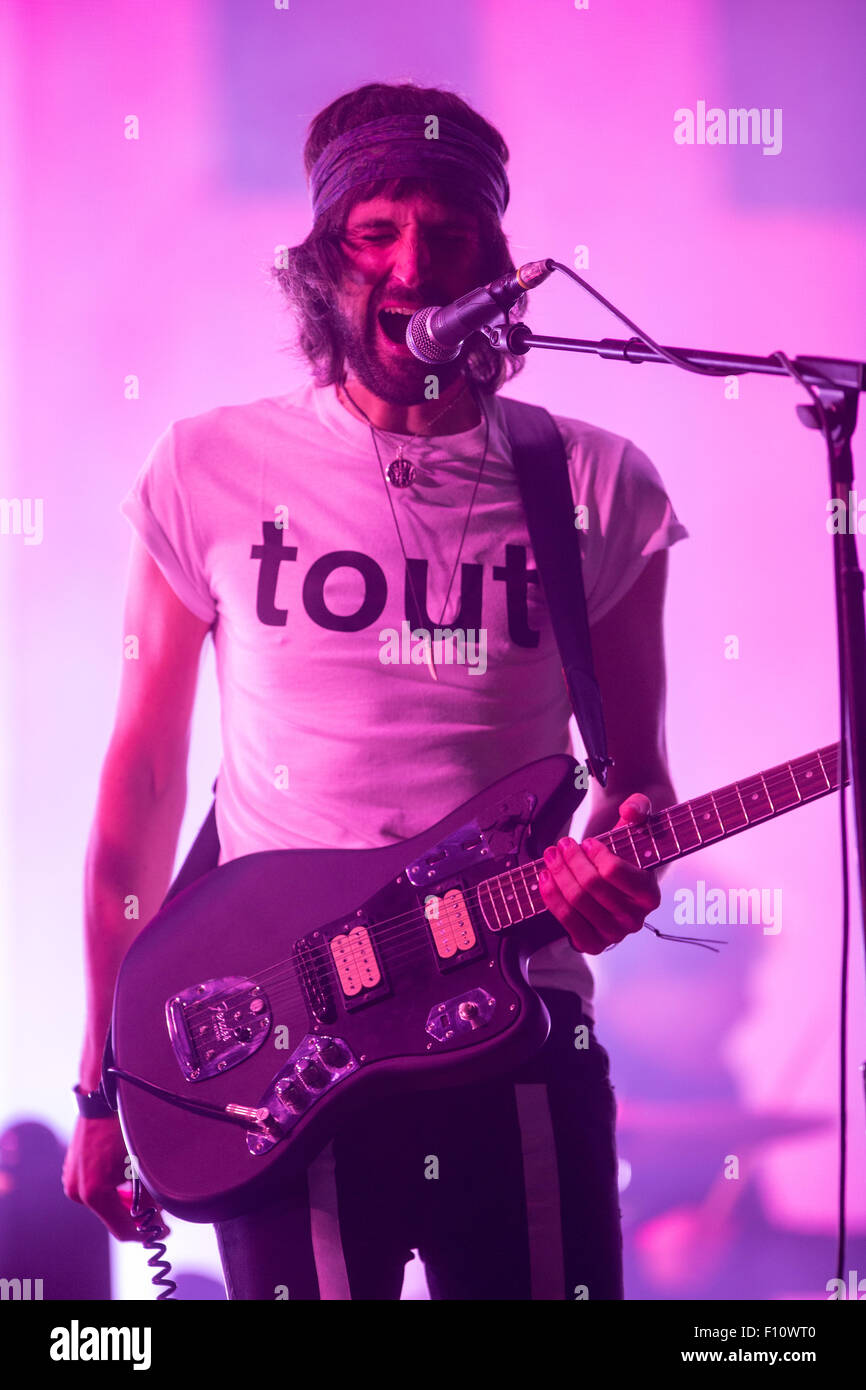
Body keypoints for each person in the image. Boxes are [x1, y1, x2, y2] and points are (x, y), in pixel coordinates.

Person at [63, 81, 687, 1300]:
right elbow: (139, 788)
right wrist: (103, 1080)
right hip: (285, 1045)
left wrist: (626, 862)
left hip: (515, 1018)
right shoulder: (207, 467)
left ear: (494, 265)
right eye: (375, 233)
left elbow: (637, 787)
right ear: (321, 261)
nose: (412, 265)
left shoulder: (598, 486)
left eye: (448, 234)